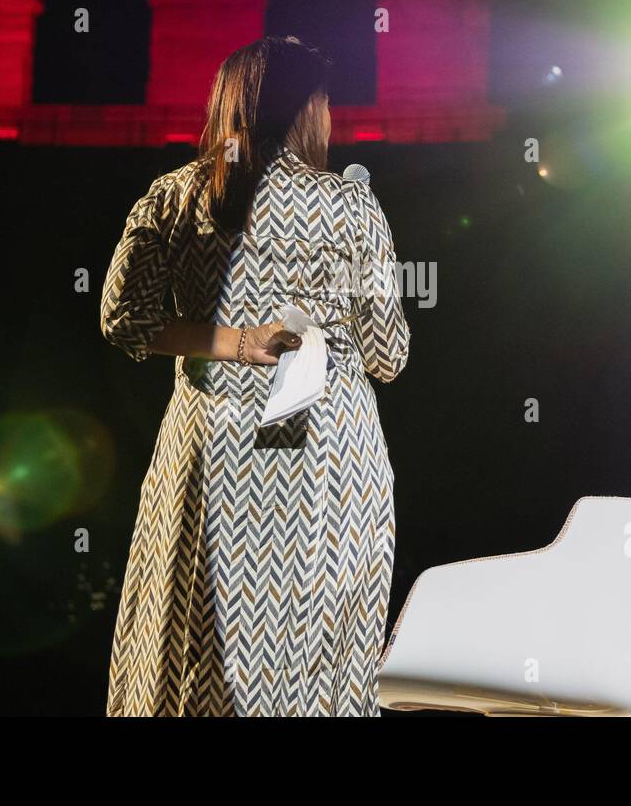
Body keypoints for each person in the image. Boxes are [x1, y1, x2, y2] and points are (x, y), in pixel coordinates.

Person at [99, 35, 410, 716]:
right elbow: (389, 356)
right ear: (306, 109)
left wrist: (232, 341)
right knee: (316, 659)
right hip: (328, 463)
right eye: (324, 102)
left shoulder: (174, 195)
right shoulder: (352, 205)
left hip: (210, 456)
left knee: (198, 647)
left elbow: (123, 319)